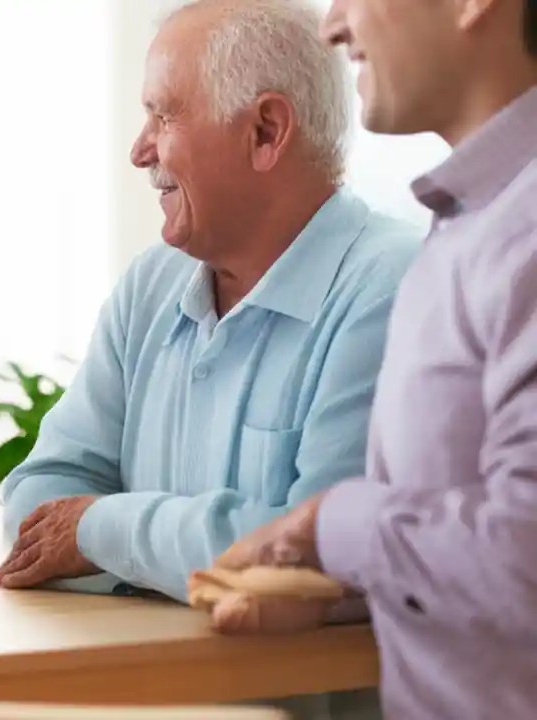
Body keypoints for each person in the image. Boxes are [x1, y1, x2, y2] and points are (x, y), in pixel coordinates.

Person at [0, 0, 421, 602]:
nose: (140, 151)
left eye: (163, 117)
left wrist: (100, 531)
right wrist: (146, 547)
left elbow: (317, 555)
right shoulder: (151, 283)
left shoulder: (394, 284)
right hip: (140, 688)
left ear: (265, 132)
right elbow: (37, 504)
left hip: (285, 698)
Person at [202, 0, 537, 716]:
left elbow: (525, 558)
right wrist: (341, 588)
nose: (333, 26)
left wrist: (326, 527)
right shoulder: (467, 228)